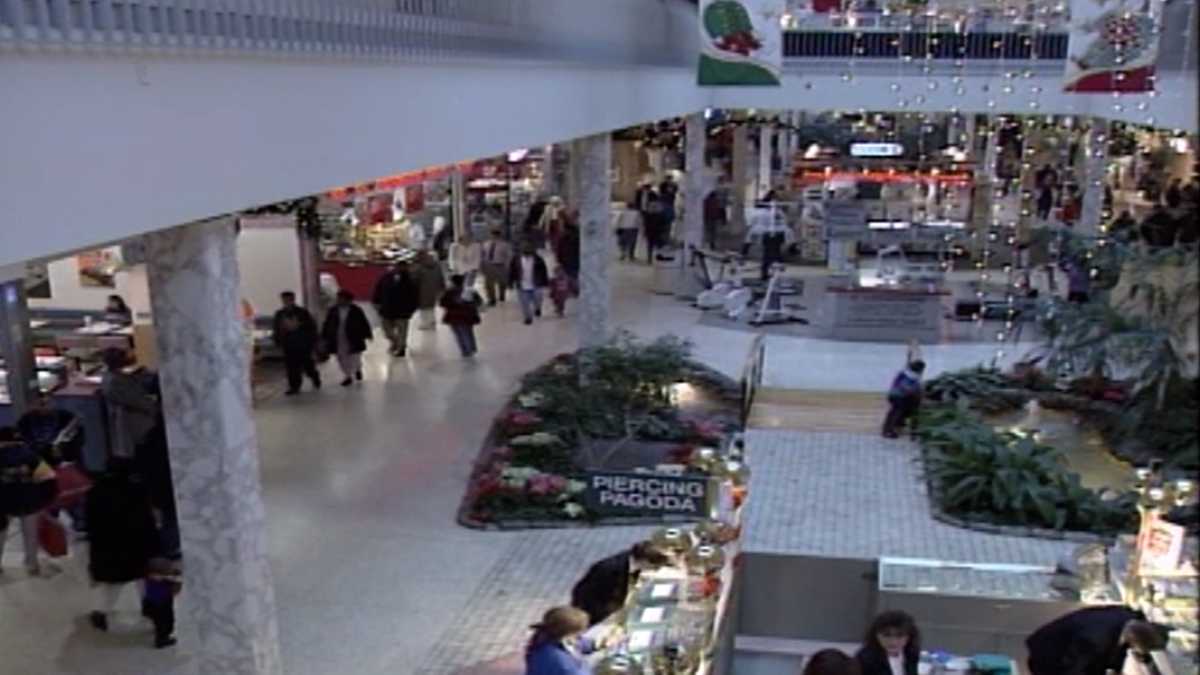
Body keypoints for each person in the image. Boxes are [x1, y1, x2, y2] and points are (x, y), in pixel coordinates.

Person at [86, 465, 157, 636]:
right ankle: (150, 608)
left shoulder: (96, 492)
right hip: (134, 545)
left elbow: (91, 523)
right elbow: (147, 520)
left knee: (112, 584)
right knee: (142, 578)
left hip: (107, 547)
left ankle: (102, 613)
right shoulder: (137, 491)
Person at [1026, 606, 1168, 675]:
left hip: (1064, 644)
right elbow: (1072, 670)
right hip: (1049, 658)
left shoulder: (1127, 617)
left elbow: (1120, 647)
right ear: (1135, 639)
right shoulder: (1095, 640)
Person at [0, 427, 58, 576]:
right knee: (31, 535)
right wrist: (44, 500)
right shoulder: (31, 456)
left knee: (1, 535)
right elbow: (49, 478)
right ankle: (32, 565)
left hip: (3, 503)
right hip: (30, 502)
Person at [570, 542, 670, 626]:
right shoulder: (609, 568)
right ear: (644, 561)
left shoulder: (632, 560)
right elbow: (585, 593)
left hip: (608, 605)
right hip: (592, 609)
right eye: (654, 567)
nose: (655, 570)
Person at [100, 348, 159, 463]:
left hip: (138, 421)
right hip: (136, 425)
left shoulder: (117, 376)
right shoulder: (115, 382)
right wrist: (157, 408)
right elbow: (140, 402)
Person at [17, 391, 84, 468]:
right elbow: (23, 437)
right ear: (34, 405)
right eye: (41, 404)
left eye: (47, 403)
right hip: (38, 457)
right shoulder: (26, 419)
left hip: (61, 455)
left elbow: (77, 430)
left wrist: (64, 445)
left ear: (53, 403)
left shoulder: (64, 416)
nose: (44, 407)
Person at [272, 291, 322, 394]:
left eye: (288, 300)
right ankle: (294, 386)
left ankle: (313, 375)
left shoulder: (302, 312)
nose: (286, 302)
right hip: (288, 344)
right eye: (284, 300)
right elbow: (276, 328)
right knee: (291, 366)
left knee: (307, 364)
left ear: (293, 300)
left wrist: (312, 340)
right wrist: (278, 340)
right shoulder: (280, 314)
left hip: (302, 343)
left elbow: (311, 327)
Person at [321, 290, 373, 387]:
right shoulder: (333, 310)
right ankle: (347, 375)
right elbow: (327, 323)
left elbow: (363, 322)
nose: (340, 301)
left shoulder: (356, 310)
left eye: (342, 299)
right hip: (337, 337)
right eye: (339, 298)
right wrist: (324, 336)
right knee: (341, 357)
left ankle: (357, 369)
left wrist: (368, 334)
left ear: (349, 300)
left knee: (355, 356)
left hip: (354, 336)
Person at [371, 262, 420, 357]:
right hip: (387, 308)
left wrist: (412, 308)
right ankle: (395, 342)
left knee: (402, 330)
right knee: (387, 330)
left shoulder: (411, 280)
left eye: (404, 267)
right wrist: (376, 301)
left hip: (403, 310)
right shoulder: (386, 277)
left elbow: (415, 296)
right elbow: (378, 289)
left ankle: (401, 348)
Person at [525, 606, 591, 675]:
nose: (580, 636)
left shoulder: (545, 638)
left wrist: (594, 644)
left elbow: (578, 644)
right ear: (567, 634)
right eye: (578, 634)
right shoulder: (562, 663)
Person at [882, 341, 925, 439]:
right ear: (919, 370)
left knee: (895, 412)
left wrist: (913, 350)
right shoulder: (913, 377)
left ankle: (890, 428)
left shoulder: (905, 371)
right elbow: (907, 389)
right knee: (901, 411)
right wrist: (917, 393)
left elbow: (909, 362)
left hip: (892, 395)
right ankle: (890, 430)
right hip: (899, 396)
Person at [855, 610, 921, 675]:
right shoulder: (864, 660)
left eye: (900, 635)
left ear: (909, 637)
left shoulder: (913, 655)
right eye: (886, 635)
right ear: (876, 636)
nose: (893, 641)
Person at [143, 557, 183, 648]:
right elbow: (176, 581)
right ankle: (161, 640)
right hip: (162, 602)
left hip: (152, 601)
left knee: (159, 621)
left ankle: (161, 635)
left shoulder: (149, 577)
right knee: (166, 622)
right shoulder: (163, 578)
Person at [440, 274, 482, 358]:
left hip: (453, 316)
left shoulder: (449, 292)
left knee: (459, 334)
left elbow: (442, 303)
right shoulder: (469, 290)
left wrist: (452, 304)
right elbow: (479, 301)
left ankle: (465, 350)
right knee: (468, 332)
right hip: (468, 315)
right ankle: (471, 348)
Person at [509, 241, 550, 326]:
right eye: (524, 249)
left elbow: (544, 271)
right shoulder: (516, 259)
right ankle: (528, 317)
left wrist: (545, 282)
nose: (526, 251)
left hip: (536, 283)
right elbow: (512, 271)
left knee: (538, 299)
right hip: (522, 284)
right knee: (524, 303)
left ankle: (537, 308)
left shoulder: (538, 259)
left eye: (528, 249)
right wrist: (510, 282)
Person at [480, 229, 514, 306]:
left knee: (502, 282)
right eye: (492, 235)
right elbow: (482, 254)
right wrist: (482, 265)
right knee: (488, 283)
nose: (493, 237)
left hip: (500, 265)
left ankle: (502, 294)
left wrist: (507, 265)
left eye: (495, 235)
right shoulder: (486, 244)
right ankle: (492, 299)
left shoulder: (505, 245)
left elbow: (509, 256)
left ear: (499, 236)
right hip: (489, 265)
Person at [415, 251, 446, 330]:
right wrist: (442, 287)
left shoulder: (420, 267)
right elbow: (441, 277)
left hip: (423, 289)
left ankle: (426, 323)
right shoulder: (436, 265)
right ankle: (432, 322)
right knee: (431, 306)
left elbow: (415, 279)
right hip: (434, 288)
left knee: (424, 307)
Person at [556, 218, 581, 289]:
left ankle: (574, 288)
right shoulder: (578, 236)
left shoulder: (563, 237)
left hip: (567, 263)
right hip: (575, 262)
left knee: (571, 276)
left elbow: (559, 250)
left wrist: (559, 260)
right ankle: (575, 288)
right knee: (574, 276)